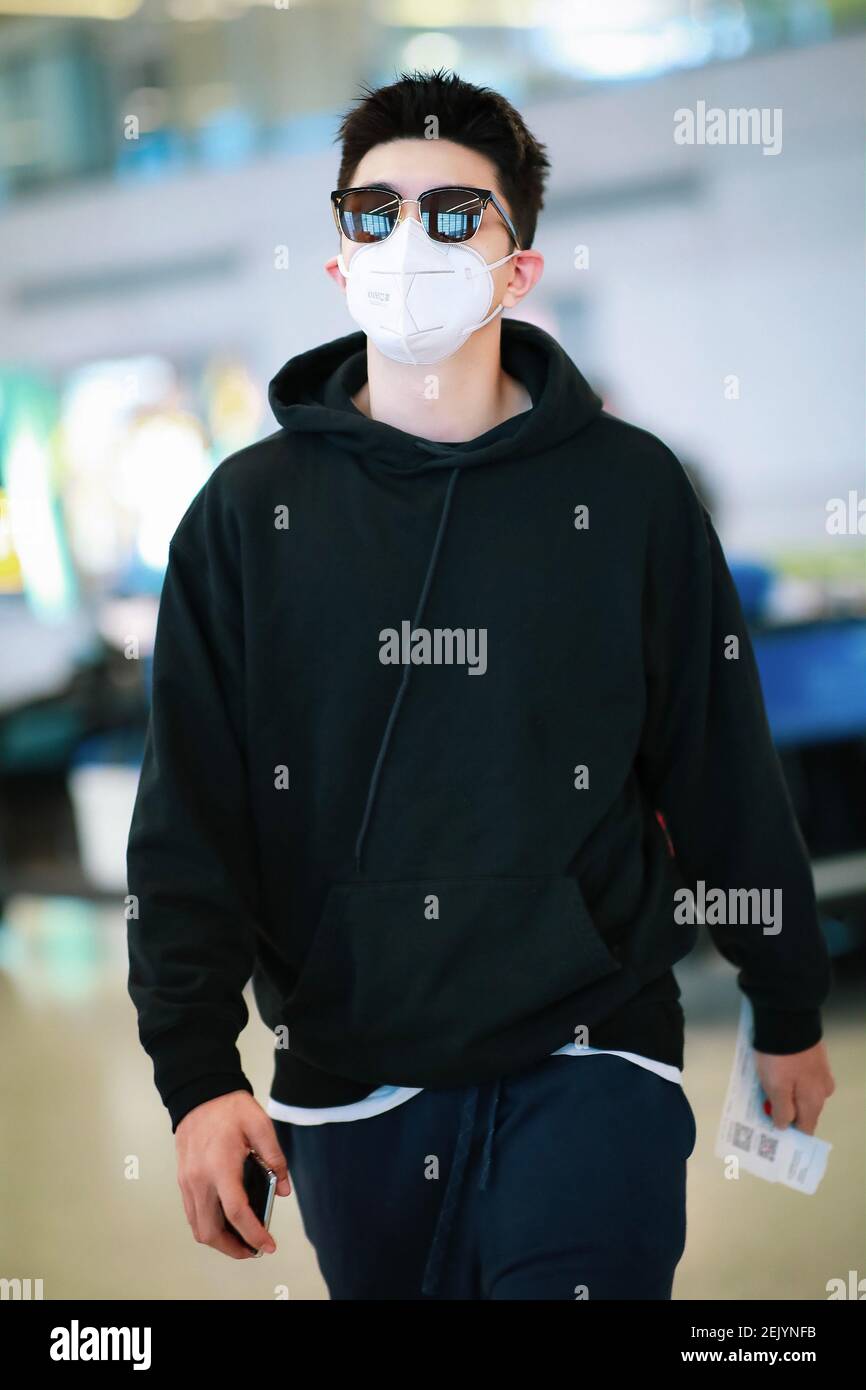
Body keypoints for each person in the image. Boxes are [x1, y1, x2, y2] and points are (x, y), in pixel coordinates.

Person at [126, 69, 835, 1300]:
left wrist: (784, 997)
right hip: (348, 1073)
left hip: (592, 1043)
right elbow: (189, 817)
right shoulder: (245, 518)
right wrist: (196, 1076)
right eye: (375, 211)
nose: (409, 239)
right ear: (339, 257)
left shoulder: (625, 492)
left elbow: (716, 761)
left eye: (454, 213)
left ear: (518, 268)